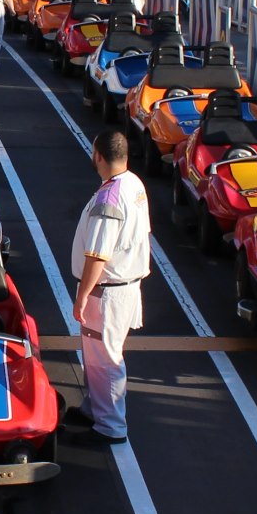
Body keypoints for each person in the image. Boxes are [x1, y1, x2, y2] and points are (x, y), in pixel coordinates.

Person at [70, 128, 153, 442]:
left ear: (98, 156)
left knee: (105, 360)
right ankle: (95, 408)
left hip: (107, 292)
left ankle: (111, 426)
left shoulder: (109, 198)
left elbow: (97, 256)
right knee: (101, 356)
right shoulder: (133, 185)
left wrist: (82, 297)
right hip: (126, 287)